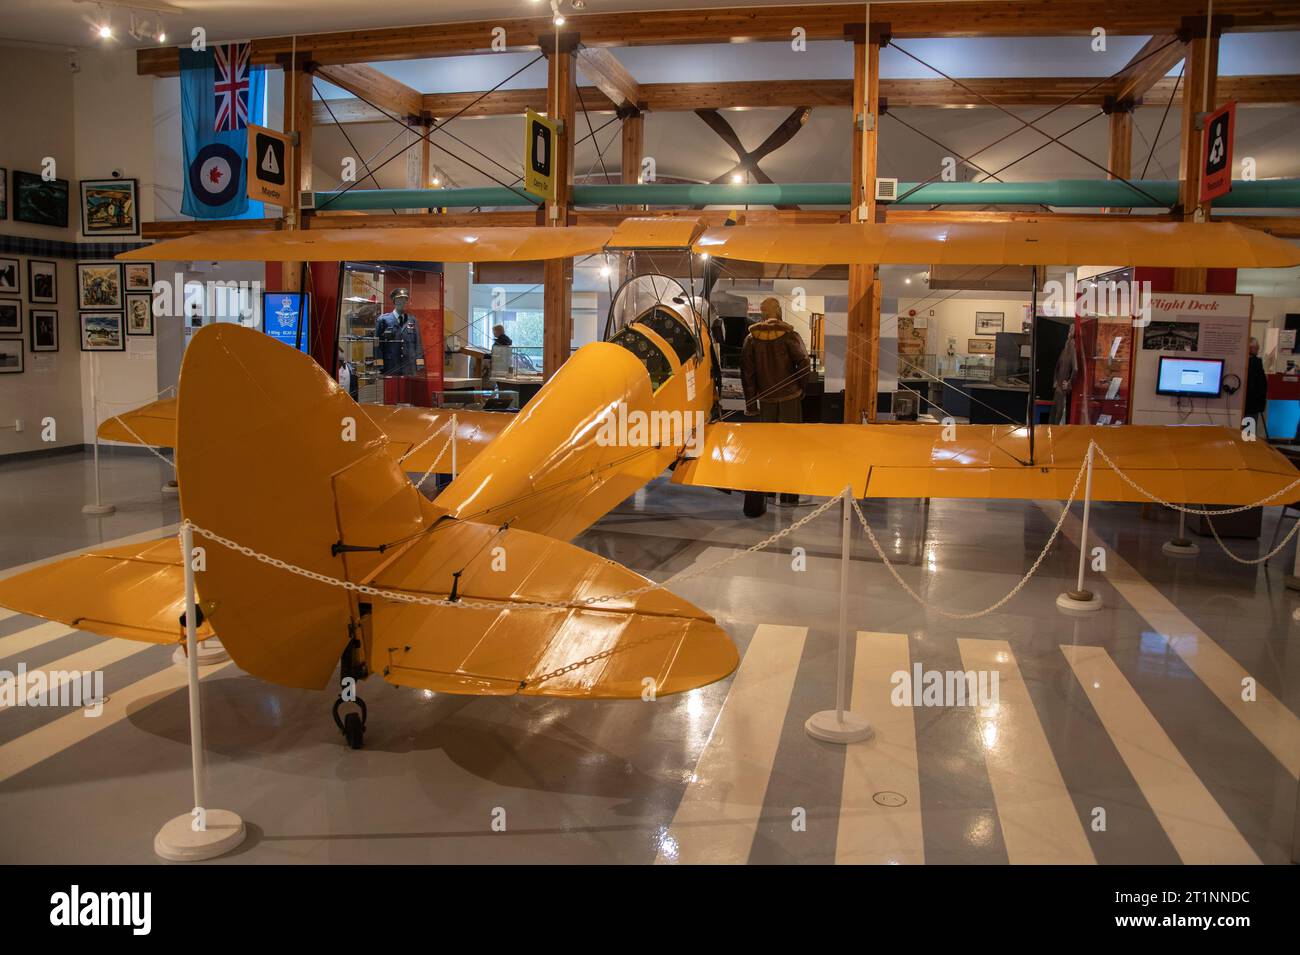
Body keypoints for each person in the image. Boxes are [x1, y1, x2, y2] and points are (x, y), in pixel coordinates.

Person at [740, 297, 813, 509]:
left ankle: (769, 493)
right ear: (778, 311)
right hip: (790, 398)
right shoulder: (790, 335)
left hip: (766, 400)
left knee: (768, 448)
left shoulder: (751, 339)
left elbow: (747, 374)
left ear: (762, 313)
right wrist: (801, 388)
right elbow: (804, 363)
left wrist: (751, 404)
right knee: (792, 447)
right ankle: (790, 496)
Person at [375, 288, 425, 404]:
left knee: (408, 397)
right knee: (391, 397)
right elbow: (377, 344)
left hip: (409, 365)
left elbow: (418, 343)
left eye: (405, 300)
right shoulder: (383, 320)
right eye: (399, 300)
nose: (402, 303)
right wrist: (379, 365)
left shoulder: (412, 320)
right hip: (391, 364)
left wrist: (419, 365)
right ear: (394, 301)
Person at [1245, 336, 1269, 438]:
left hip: (1244, 402)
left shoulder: (1242, 360)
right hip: (1252, 403)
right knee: (1249, 433)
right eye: (1257, 347)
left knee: (1243, 430)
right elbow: (1261, 385)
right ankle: (1248, 450)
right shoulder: (1256, 362)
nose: (1258, 349)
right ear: (1251, 348)